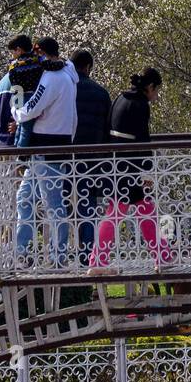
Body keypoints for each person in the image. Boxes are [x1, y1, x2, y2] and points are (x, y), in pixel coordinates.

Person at [89, 68, 173, 275]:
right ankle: (97, 262)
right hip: (130, 168)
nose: (156, 95)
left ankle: (163, 256)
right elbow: (143, 139)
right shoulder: (140, 104)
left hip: (115, 165)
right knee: (118, 213)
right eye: (156, 90)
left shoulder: (120, 97)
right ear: (150, 87)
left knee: (144, 210)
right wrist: (146, 171)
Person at [11, 38, 79, 267]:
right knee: (25, 198)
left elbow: (32, 108)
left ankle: (58, 256)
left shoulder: (52, 78)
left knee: (53, 205)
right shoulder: (68, 73)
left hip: (46, 148)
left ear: (40, 51)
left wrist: (16, 111)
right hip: (55, 146)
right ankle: (22, 251)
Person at [70, 48, 113, 260]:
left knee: (64, 205)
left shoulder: (66, 89)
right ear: (89, 67)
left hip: (67, 157)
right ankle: (88, 252)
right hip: (95, 160)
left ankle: (64, 250)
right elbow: (107, 128)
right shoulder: (101, 93)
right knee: (90, 206)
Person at [0, 34, 35, 146]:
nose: (12, 56)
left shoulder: (2, 82)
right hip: (15, 142)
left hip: (2, 141)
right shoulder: (31, 73)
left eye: (12, 52)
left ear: (19, 50)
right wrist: (18, 122)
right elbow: (21, 106)